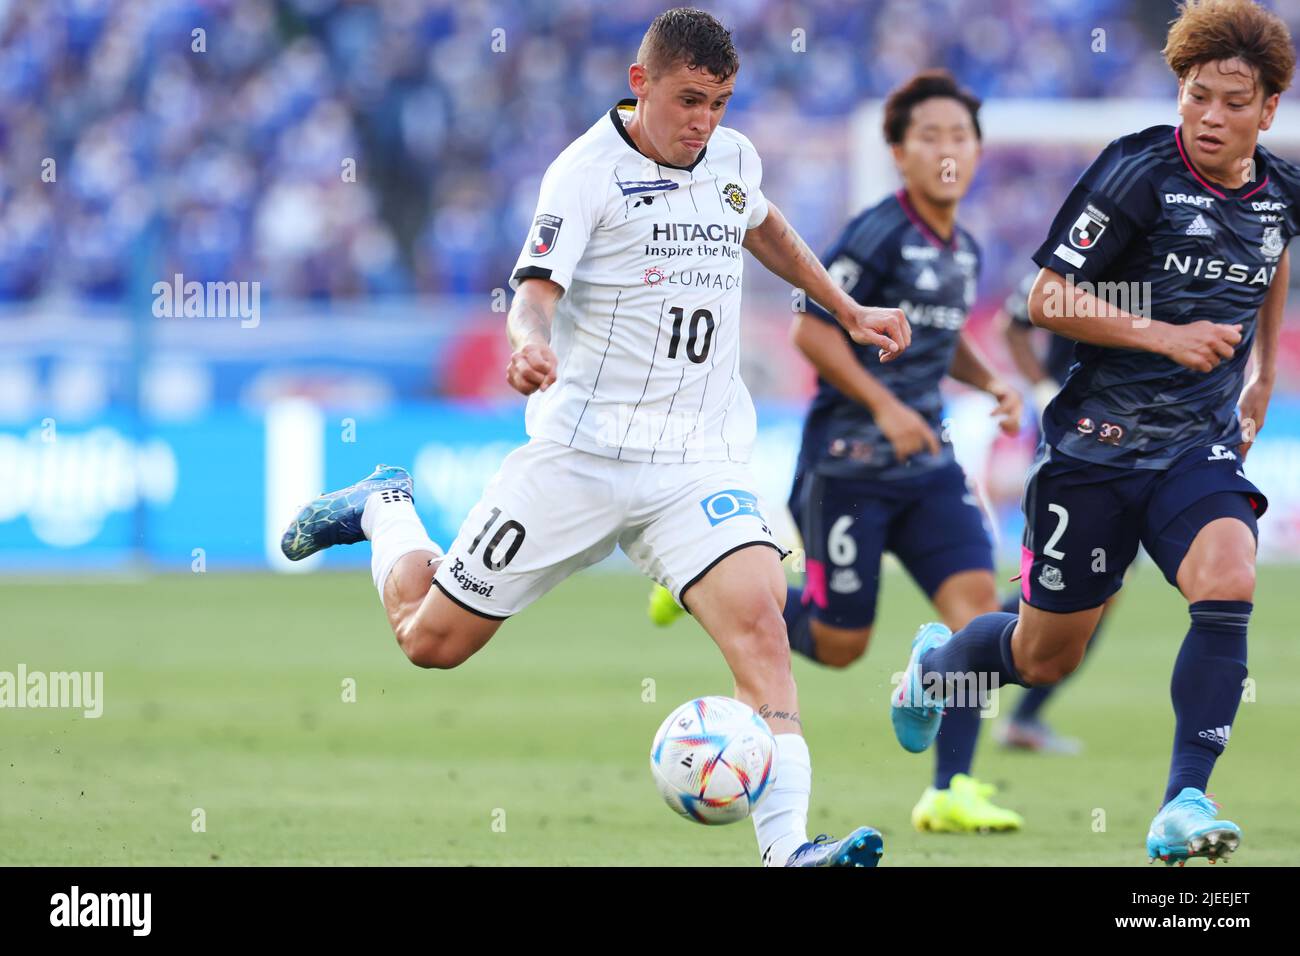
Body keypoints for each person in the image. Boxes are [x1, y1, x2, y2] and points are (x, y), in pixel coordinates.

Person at [280, 8, 910, 867]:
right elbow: (536, 287)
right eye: (690, 100)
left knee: (763, 628)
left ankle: (788, 850)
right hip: (579, 458)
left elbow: (758, 222)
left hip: (696, 460)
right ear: (639, 82)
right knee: (431, 642)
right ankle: (386, 509)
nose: (706, 122)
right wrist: (527, 342)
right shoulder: (582, 174)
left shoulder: (731, 157)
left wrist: (845, 307)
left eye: (721, 103)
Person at [889, 0, 1295, 864]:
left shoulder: (1282, 193)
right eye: (1196, 97)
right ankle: (938, 669)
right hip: (1094, 447)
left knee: (1230, 574)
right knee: (1045, 658)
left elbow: (1272, 262)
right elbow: (1043, 300)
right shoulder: (1139, 172)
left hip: (1197, 444)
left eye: (1232, 101)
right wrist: (1164, 334)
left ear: (1269, 108)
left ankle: (1184, 800)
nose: (1211, 116)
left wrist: (1261, 378)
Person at [658, 69, 1026, 832]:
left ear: (979, 151)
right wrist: (887, 407)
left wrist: (992, 381)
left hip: (928, 466)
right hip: (848, 466)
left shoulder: (964, 248)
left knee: (977, 617)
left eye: (960, 136)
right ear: (898, 152)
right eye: (930, 136)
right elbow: (813, 331)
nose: (947, 150)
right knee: (840, 643)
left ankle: (949, 788)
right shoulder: (876, 232)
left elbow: (937, 337)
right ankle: (703, 581)